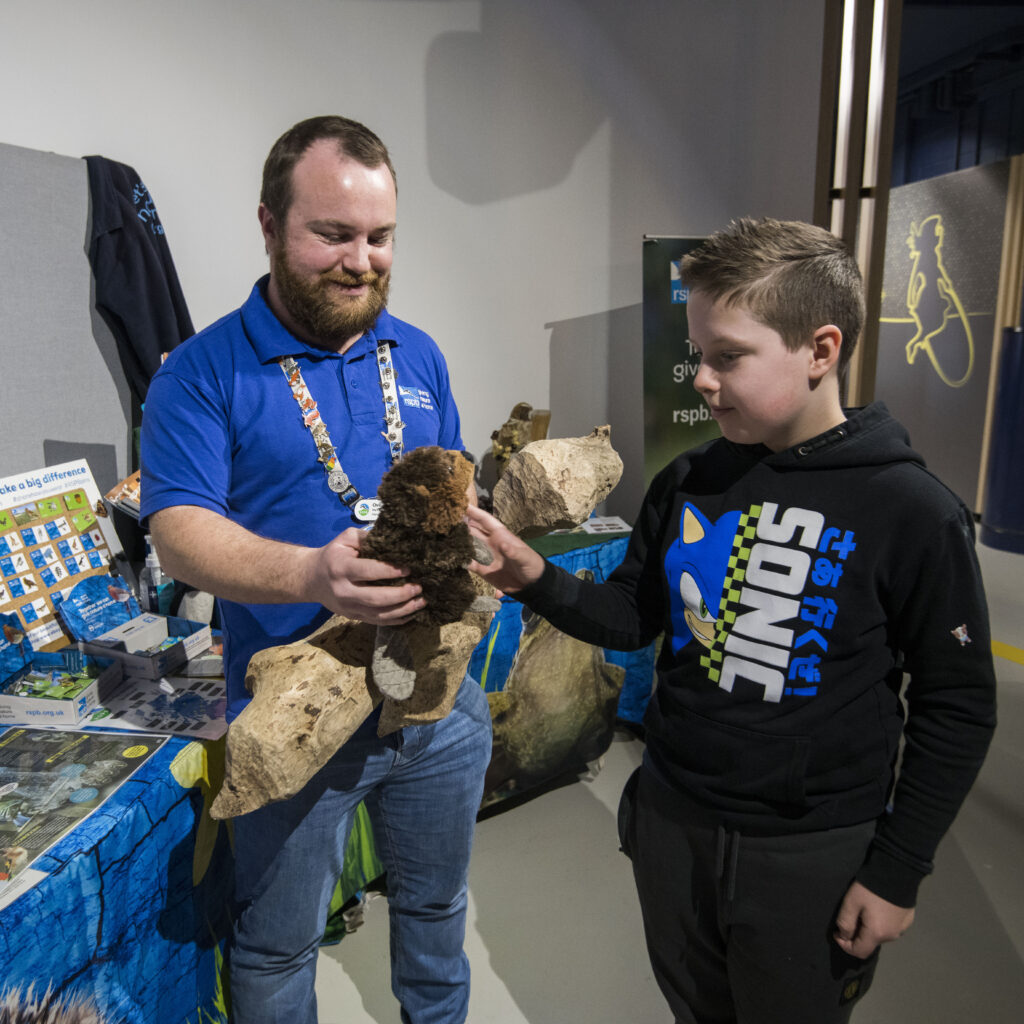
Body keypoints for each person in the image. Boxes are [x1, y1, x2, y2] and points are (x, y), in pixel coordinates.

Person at [466, 218, 997, 1023]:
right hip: (675, 826)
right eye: (697, 355)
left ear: (821, 350)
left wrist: (897, 869)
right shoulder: (688, 479)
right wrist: (535, 577)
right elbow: (633, 619)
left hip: (810, 856)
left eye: (728, 356)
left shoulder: (913, 512)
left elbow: (957, 706)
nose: (702, 382)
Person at [139, 116, 492, 1024]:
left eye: (380, 238)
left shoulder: (416, 352)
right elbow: (177, 531)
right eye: (332, 234)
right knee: (274, 947)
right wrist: (311, 574)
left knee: (437, 910)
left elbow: (452, 487)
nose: (362, 261)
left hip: (437, 705)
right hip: (296, 714)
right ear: (269, 224)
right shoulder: (201, 371)